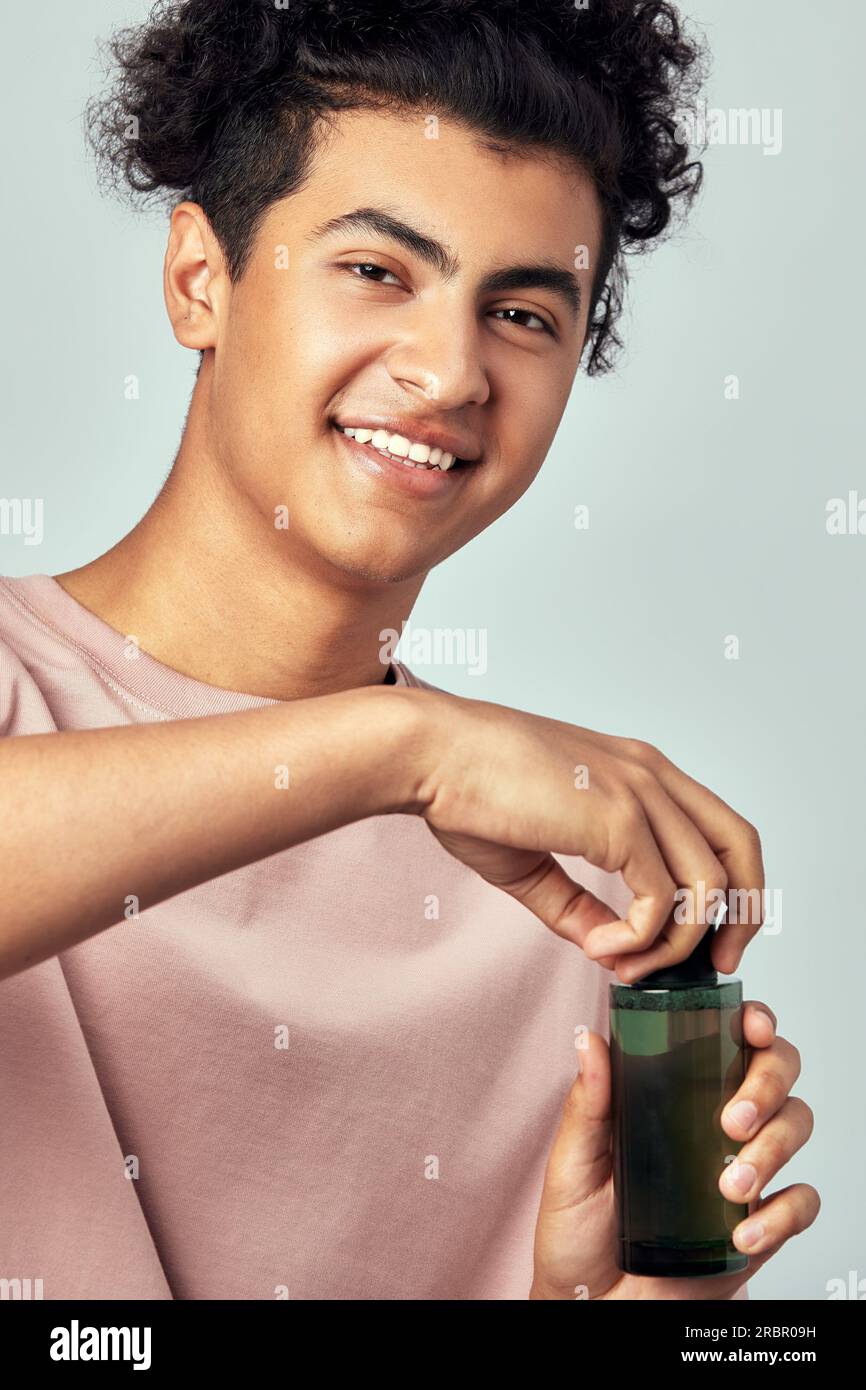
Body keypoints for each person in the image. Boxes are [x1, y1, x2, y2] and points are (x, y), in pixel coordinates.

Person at [0, 0, 817, 1300]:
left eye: (523, 314)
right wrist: (406, 748)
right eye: (378, 271)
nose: (448, 373)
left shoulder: (565, 897)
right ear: (199, 280)